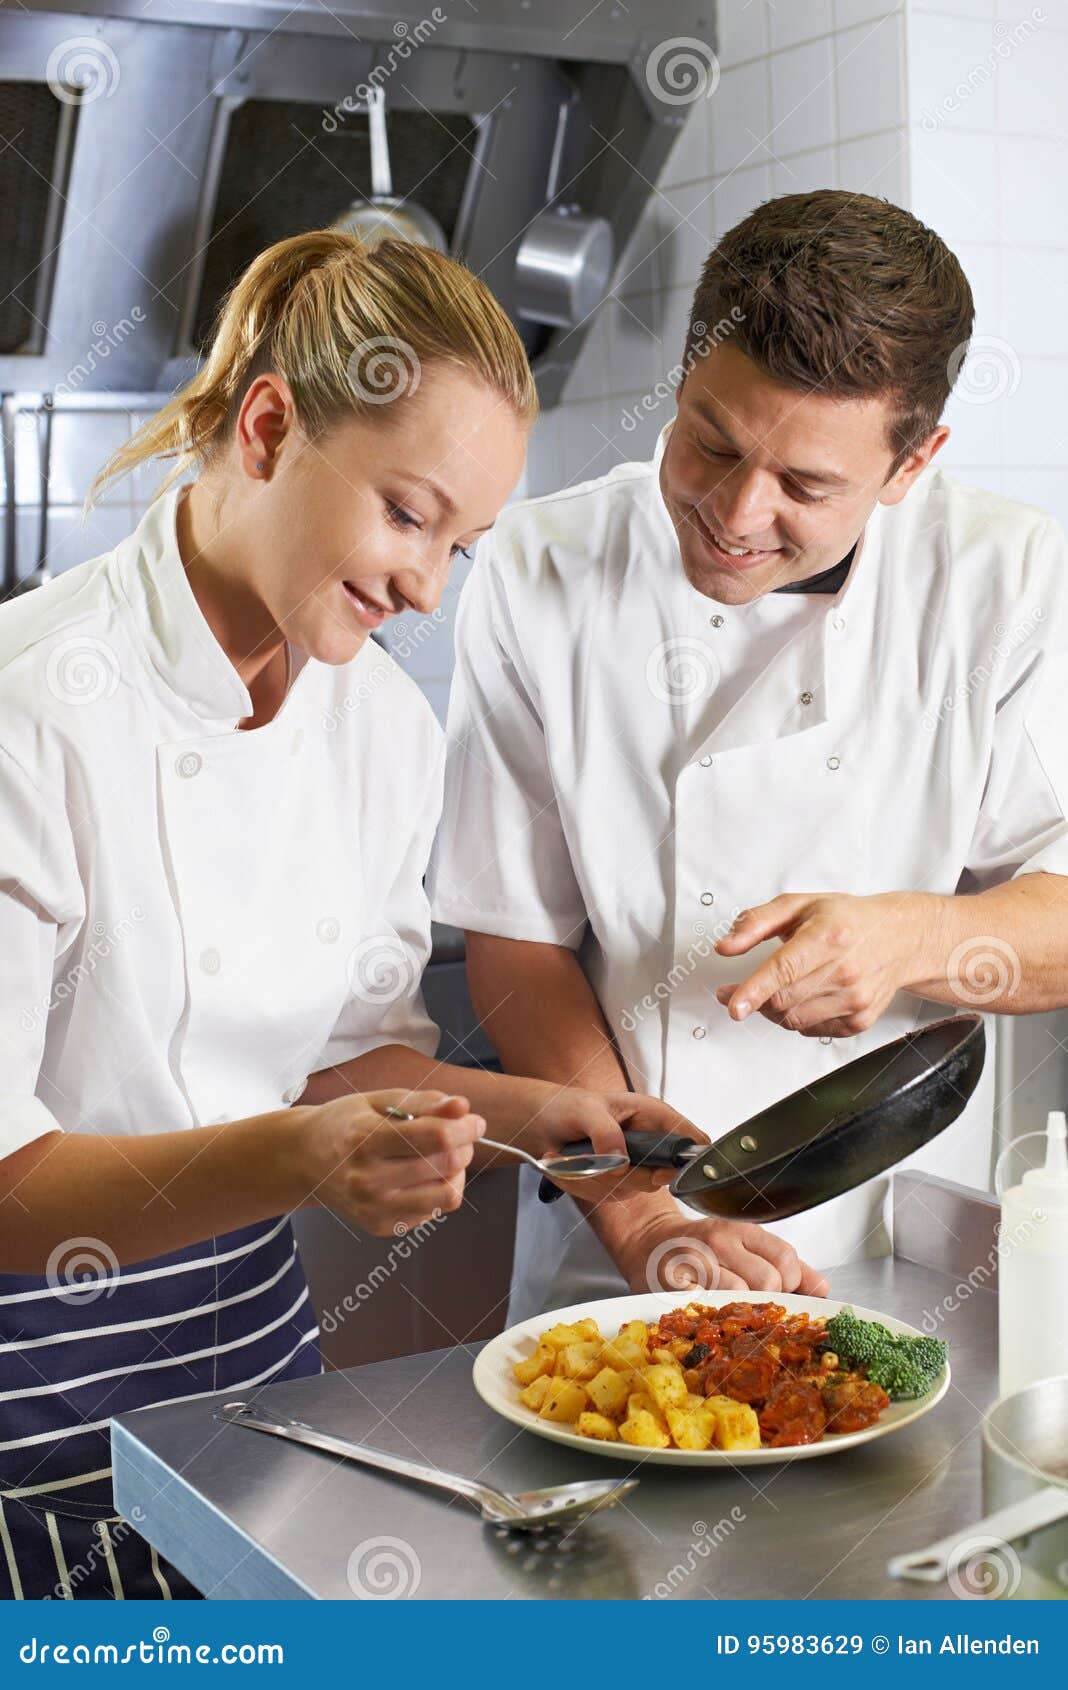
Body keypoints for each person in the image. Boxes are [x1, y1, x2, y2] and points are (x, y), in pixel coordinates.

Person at [0, 230, 747, 1600]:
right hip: (34, 1377)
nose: (427, 589)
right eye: (409, 517)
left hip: (257, 1355)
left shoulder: (385, 726)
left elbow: (349, 1058)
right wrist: (302, 1153)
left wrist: (538, 1121)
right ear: (272, 425)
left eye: (461, 545)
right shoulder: (33, 705)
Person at [428, 190, 1068, 1325]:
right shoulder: (543, 567)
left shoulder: (1007, 585)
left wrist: (912, 936)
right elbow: (515, 940)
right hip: (618, 1234)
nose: (733, 510)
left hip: (900, 1248)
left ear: (913, 464)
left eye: (806, 487)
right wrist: (640, 1212)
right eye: (709, 440)